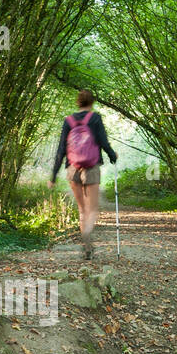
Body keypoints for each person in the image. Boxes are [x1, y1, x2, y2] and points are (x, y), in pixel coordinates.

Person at [49, 89, 117, 260]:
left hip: (72, 168)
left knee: (82, 210)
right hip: (92, 167)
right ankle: (87, 235)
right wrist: (111, 155)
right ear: (92, 102)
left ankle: (86, 244)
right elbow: (102, 140)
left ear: (77, 102)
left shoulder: (68, 121)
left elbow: (61, 150)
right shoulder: (95, 118)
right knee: (92, 209)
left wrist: (53, 175)